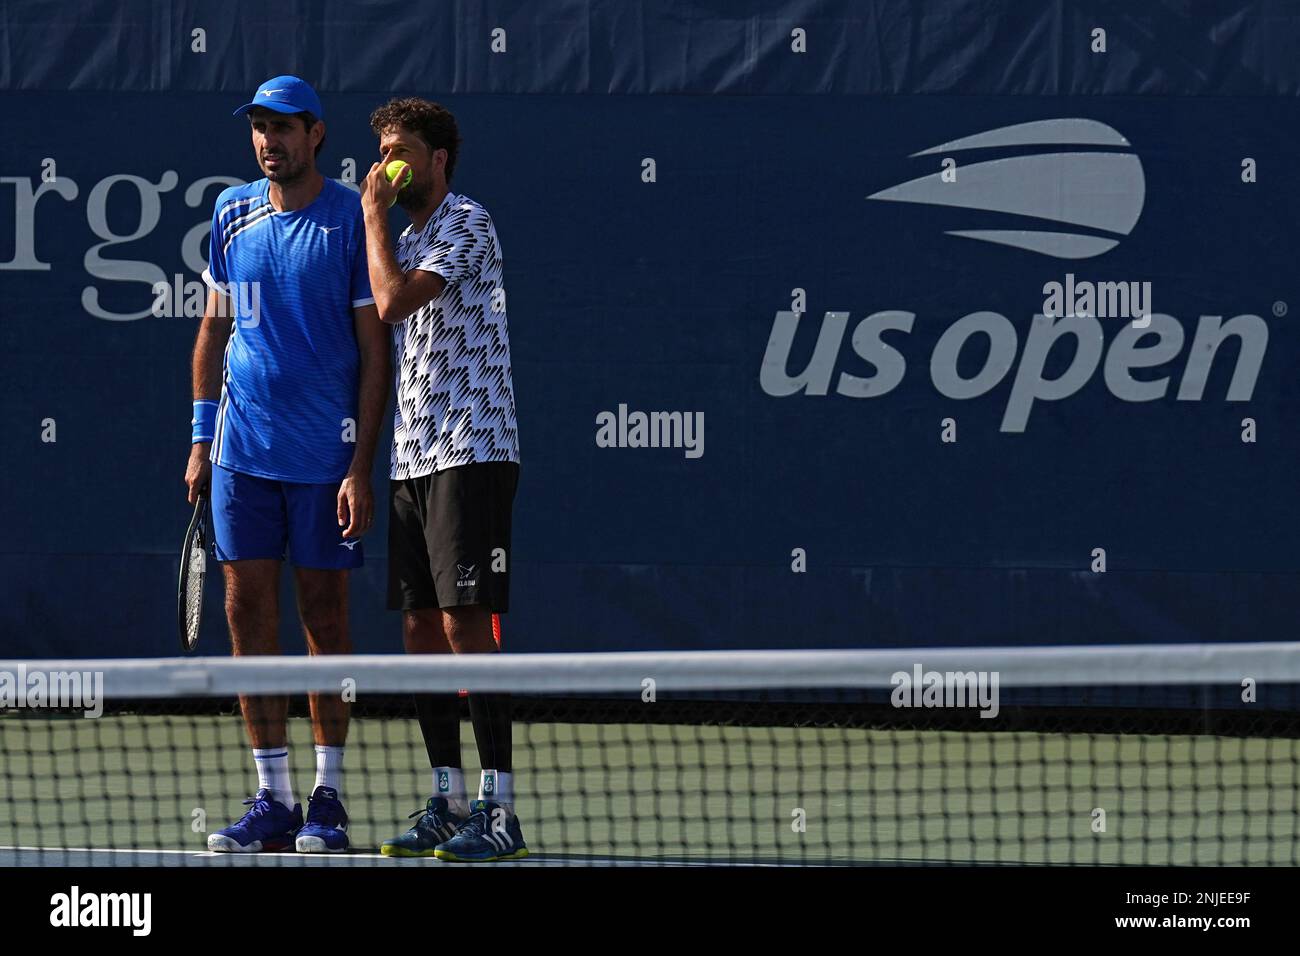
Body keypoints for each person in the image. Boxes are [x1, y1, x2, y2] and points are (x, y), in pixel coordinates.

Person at [184, 75, 390, 854]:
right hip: (241, 455)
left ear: (316, 134)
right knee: (247, 619)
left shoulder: (350, 220)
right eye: (259, 127)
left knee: (325, 620)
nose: (269, 141)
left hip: (324, 458)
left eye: (283, 127)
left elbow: (374, 350)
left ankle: (327, 797)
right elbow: (215, 330)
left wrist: (360, 464)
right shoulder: (231, 212)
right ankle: (271, 797)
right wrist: (201, 440)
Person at [359, 98, 525, 861]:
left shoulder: (467, 221)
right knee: (420, 628)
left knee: (464, 625)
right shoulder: (406, 239)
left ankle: (500, 810)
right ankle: (448, 798)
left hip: (474, 449)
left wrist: (370, 216)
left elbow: (391, 303)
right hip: (412, 457)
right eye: (382, 152)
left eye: (400, 151)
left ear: (437, 159)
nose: (388, 164)